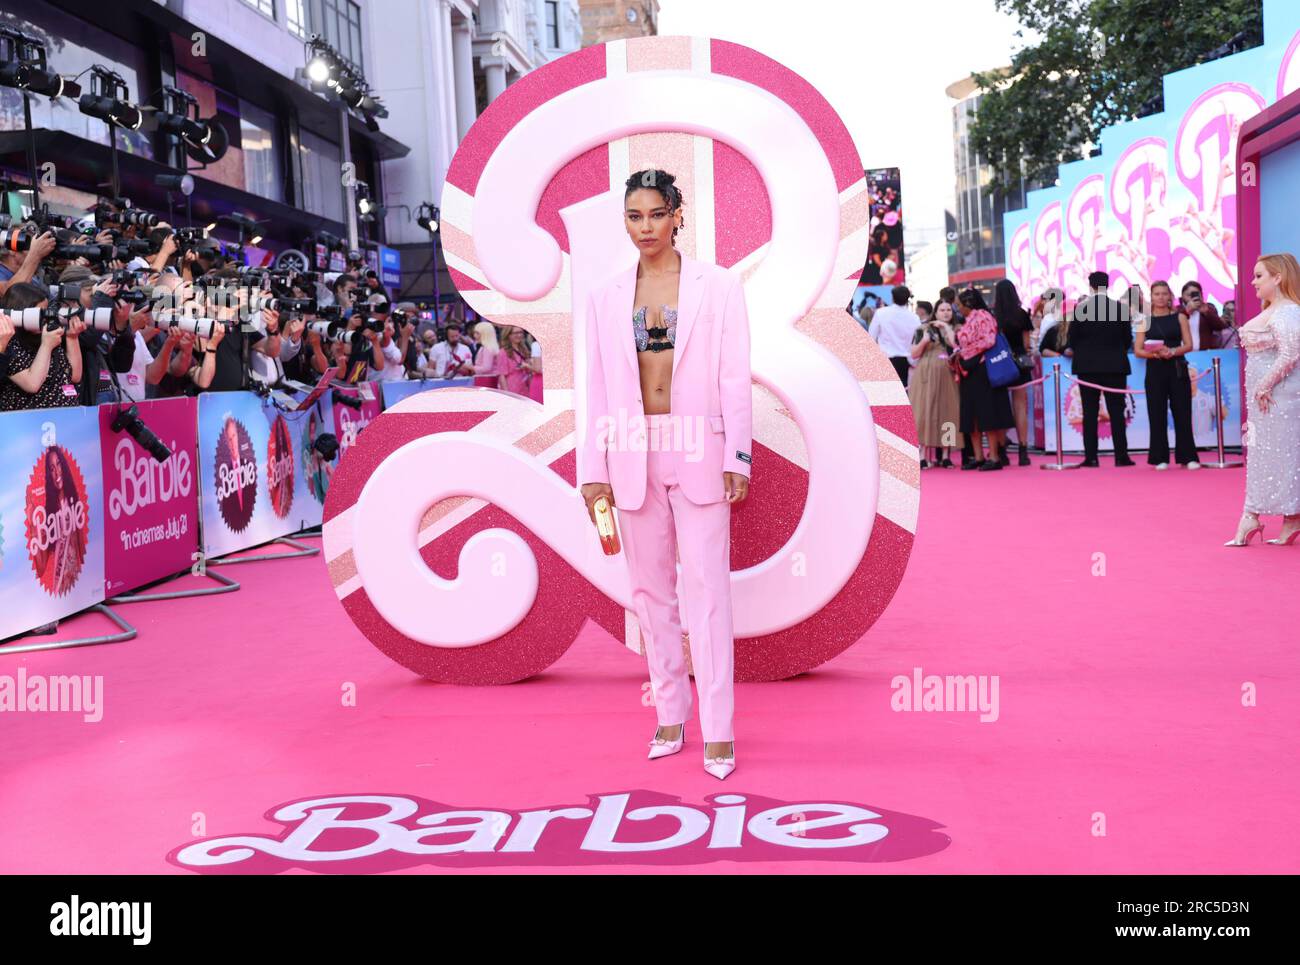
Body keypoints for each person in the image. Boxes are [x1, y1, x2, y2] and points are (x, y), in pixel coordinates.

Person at [578, 167, 751, 780]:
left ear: (678, 214)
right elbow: (596, 387)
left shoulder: (719, 285)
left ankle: (720, 728)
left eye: (655, 214)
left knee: (708, 592)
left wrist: (739, 455)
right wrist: (591, 468)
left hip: (699, 447)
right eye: (633, 216)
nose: (644, 227)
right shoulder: (604, 293)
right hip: (631, 450)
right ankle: (670, 715)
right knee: (651, 596)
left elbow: (734, 375)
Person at [1226, 253, 1300, 546]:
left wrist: (1263, 386)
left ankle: (1253, 516)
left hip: (1279, 399)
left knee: (1282, 456)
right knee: (1265, 455)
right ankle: (1286, 519)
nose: (1253, 281)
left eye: (1259, 276)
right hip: (1266, 401)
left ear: (1278, 277)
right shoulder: (1275, 310)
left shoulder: (1289, 312)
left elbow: (1291, 354)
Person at [1069, 270, 1134, 467]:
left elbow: (1072, 340)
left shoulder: (1081, 310)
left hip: (1087, 368)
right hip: (1115, 366)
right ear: (1108, 285)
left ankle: (1091, 457)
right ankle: (1121, 456)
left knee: (1089, 413)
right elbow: (1127, 339)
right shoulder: (1120, 309)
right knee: (1117, 412)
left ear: (1090, 286)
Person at [1135, 280, 1200, 470]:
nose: (1161, 297)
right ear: (1151, 297)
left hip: (1177, 368)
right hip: (1154, 370)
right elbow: (1138, 350)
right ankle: (1159, 457)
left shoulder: (1180, 317)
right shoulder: (1144, 320)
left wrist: (1171, 352)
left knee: (1183, 413)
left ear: (1170, 296)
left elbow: (1189, 345)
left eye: (1164, 294)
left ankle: (1188, 457)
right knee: (1156, 414)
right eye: (1157, 294)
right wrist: (1154, 354)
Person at [0, 282, 84, 411]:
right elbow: (32, 384)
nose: (45, 318)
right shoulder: (8, 343)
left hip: (66, 419)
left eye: (45, 311)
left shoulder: (46, 334)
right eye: (39, 313)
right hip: (30, 423)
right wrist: (46, 346)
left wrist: (72, 337)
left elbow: (74, 376)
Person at [954, 288, 1013, 469]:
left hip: (982, 369)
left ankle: (994, 457)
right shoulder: (970, 319)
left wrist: (965, 351)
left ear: (968, 304)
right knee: (972, 416)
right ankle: (979, 456)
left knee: (987, 414)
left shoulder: (983, 316)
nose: (958, 309)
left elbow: (989, 341)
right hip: (969, 370)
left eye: (959, 305)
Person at [909, 300, 960, 467]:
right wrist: (924, 340)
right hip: (925, 374)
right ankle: (922, 454)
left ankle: (946, 454)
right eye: (942, 310)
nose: (946, 313)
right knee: (923, 413)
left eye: (948, 310)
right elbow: (914, 354)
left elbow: (956, 346)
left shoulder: (955, 329)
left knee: (948, 412)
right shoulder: (922, 329)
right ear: (935, 312)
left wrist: (946, 328)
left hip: (947, 374)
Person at [992, 278, 1034, 465]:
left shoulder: (994, 316)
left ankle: (1002, 451)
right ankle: (1023, 451)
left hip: (1000, 363)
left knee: (1001, 406)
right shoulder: (1022, 314)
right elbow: (1026, 344)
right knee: (1020, 407)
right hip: (1020, 363)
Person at [868, 285, 920, 387]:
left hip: (885, 360)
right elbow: (917, 341)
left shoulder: (881, 313)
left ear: (892, 297)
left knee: (887, 395)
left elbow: (870, 337)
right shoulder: (915, 318)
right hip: (906, 362)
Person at [1181, 281, 1230, 351]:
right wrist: (1186, 312)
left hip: (1204, 353)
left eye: (1195, 294)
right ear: (1183, 296)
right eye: (1189, 295)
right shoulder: (1178, 310)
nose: (1192, 297)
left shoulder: (1208, 308)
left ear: (1201, 295)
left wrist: (1207, 313)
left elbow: (1220, 326)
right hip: (1182, 354)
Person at [469, 321, 500, 388]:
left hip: (487, 382)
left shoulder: (487, 349)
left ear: (485, 334)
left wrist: (470, 367)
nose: (474, 336)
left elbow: (486, 368)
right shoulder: (487, 347)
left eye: (477, 333)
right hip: (488, 381)